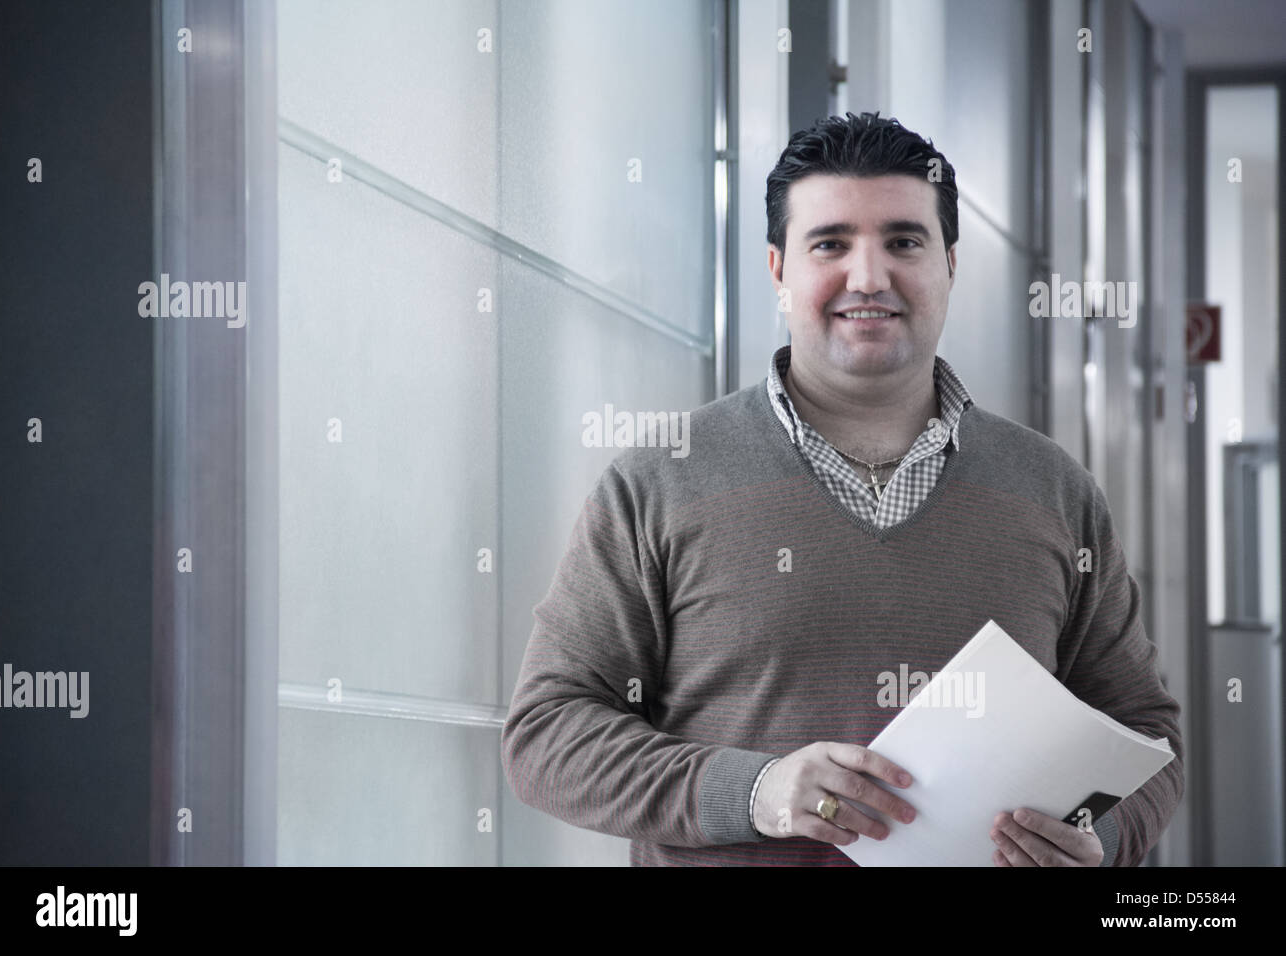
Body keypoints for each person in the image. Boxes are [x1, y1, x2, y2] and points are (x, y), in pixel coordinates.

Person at [500, 111, 1184, 866]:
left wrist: (1099, 840)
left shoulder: (1055, 491)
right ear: (777, 270)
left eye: (903, 241)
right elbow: (547, 735)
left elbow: (1148, 734)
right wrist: (757, 792)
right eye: (830, 244)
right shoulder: (660, 481)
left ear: (949, 264)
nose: (869, 277)